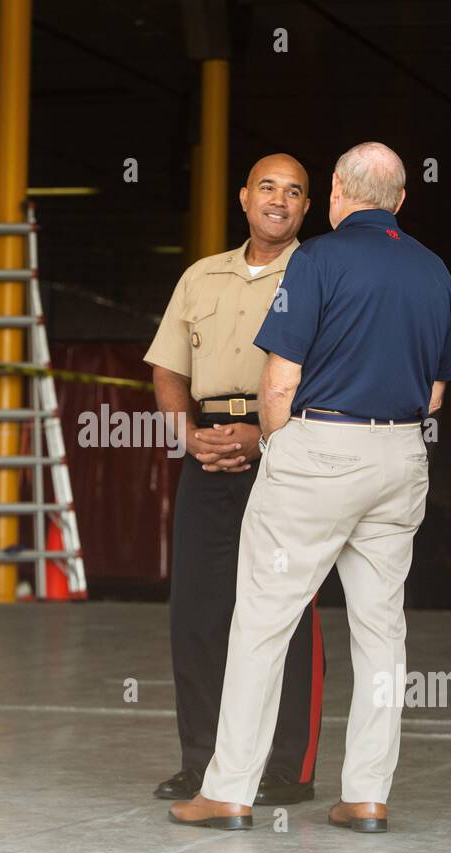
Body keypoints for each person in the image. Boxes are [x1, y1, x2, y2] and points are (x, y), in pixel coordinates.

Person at [169, 142, 451, 831]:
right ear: (400, 200)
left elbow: (278, 378)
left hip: (318, 450)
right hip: (400, 457)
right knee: (381, 630)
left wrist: (281, 446)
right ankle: (366, 795)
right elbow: (438, 390)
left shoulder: (317, 260)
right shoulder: (433, 270)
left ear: (335, 192)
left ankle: (229, 792)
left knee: (262, 622)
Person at [144, 154, 327, 806]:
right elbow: (169, 369)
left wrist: (264, 435)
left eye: (295, 192)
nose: (279, 200)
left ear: (307, 208)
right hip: (206, 453)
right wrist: (185, 436)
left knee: (286, 611)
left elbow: (330, 375)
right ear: (244, 196)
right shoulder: (201, 277)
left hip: (283, 450)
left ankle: (287, 768)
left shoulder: (319, 274)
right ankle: (202, 763)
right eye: (268, 188)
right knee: (195, 612)